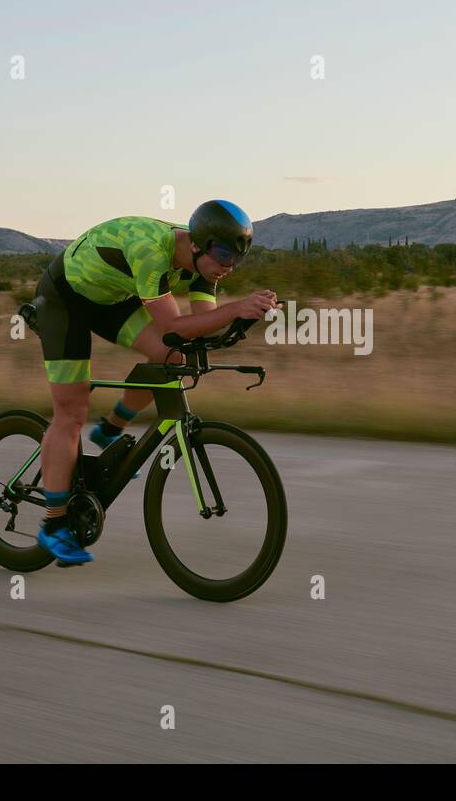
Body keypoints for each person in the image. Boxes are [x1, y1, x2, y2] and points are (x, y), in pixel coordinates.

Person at [30, 200, 278, 565]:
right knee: (71, 412)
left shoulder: (205, 265)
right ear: (198, 244)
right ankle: (53, 526)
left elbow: (199, 327)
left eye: (237, 258)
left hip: (109, 299)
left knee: (172, 357)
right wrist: (235, 308)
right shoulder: (151, 251)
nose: (229, 265)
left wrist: (245, 318)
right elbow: (175, 328)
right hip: (65, 299)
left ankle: (110, 431)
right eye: (224, 254)